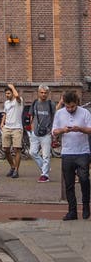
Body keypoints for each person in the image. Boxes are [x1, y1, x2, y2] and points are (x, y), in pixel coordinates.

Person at [52, 88, 91, 221]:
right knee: (69, 183)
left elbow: (90, 130)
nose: (70, 109)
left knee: (84, 179)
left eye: (72, 106)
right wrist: (63, 130)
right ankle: (72, 211)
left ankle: (86, 205)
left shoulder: (85, 113)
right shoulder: (59, 113)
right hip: (67, 152)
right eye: (67, 107)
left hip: (83, 152)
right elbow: (54, 131)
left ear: (77, 103)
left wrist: (80, 128)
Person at [29, 84, 56, 182]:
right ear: (38, 93)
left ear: (48, 93)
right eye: (42, 92)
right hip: (35, 133)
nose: (43, 94)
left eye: (45, 93)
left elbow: (54, 117)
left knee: (46, 155)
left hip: (46, 133)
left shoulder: (51, 104)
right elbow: (31, 116)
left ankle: (45, 175)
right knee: (32, 152)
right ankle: (46, 168)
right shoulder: (35, 103)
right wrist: (32, 129)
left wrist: (52, 131)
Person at [0, 82, 23, 178]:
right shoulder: (6, 103)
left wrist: (12, 87)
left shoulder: (19, 100)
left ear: (13, 93)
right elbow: (5, 113)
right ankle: (12, 166)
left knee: (17, 149)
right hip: (7, 128)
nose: (7, 95)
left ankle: (16, 170)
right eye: (6, 93)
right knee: (5, 149)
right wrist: (2, 123)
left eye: (9, 93)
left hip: (17, 128)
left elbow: (17, 95)